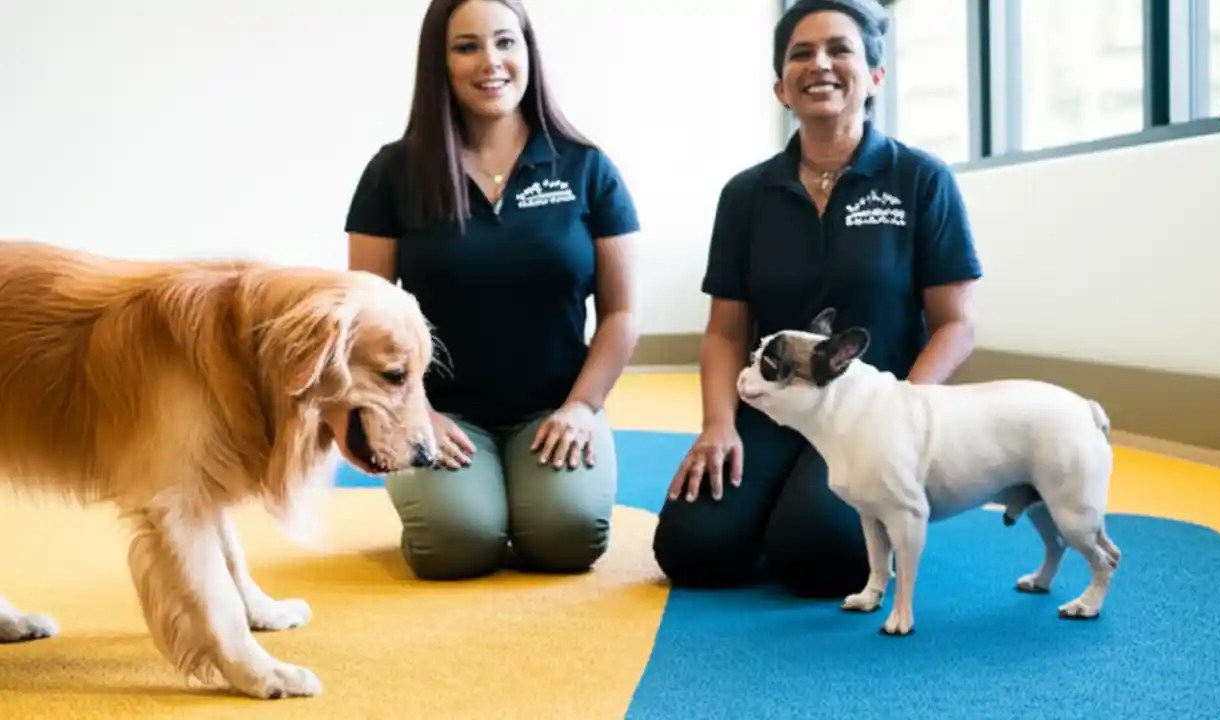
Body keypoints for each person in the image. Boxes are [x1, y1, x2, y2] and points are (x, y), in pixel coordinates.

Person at [651, 0, 983, 599]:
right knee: (690, 549)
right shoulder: (747, 195)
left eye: (839, 50)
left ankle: (844, 513)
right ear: (781, 86)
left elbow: (955, 324)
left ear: (876, 77)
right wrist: (717, 425)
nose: (819, 64)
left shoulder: (921, 179)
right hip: (776, 405)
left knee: (818, 554)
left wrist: (908, 414)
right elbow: (726, 331)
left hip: (874, 414)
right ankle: (783, 506)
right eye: (801, 54)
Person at [344, 0, 641, 581]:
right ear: (440, 62)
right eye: (467, 46)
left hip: (553, 408)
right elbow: (364, 320)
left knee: (568, 540)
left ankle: (520, 494)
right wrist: (418, 412)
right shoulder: (391, 174)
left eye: (506, 42)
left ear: (528, 53)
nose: (491, 62)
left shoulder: (586, 167)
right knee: (456, 547)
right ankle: (468, 504)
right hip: (438, 410)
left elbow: (622, 314)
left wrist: (582, 407)